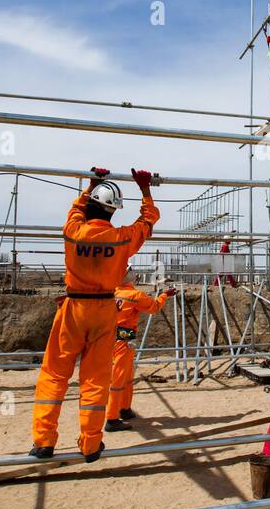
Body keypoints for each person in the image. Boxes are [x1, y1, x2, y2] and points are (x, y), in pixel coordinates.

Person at [30, 167, 159, 463]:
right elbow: (148, 220)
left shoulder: (74, 232)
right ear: (114, 211)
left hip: (73, 309)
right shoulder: (122, 239)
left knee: (53, 374)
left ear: (91, 204)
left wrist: (90, 185)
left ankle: (44, 442)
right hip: (104, 310)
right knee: (96, 380)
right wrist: (145, 189)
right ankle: (90, 444)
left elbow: (76, 209)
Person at [105, 269, 176, 431]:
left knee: (127, 374)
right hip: (124, 340)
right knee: (119, 378)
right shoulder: (135, 295)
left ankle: (124, 408)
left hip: (111, 339)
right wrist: (165, 294)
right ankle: (111, 418)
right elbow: (154, 307)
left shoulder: (113, 293)